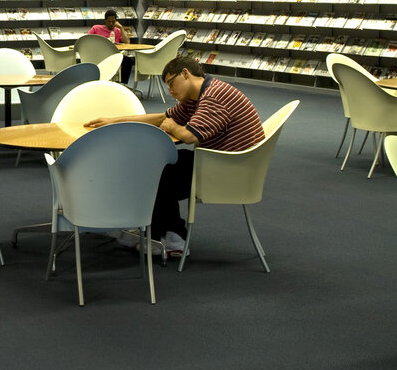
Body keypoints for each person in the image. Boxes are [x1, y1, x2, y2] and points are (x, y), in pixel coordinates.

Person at [83, 53, 263, 256]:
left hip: (229, 172)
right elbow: (162, 118)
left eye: (171, 83)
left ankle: (171, 239)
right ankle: (164, 232)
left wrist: (174, 127)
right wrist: (114, 121)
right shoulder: (200, 95)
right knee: (162, 165)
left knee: (158, 175)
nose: (170, 91)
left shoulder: (213, 96)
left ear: (186, 74)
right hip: (224, 163)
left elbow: (188, 136)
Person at [89, 9, 134, 81]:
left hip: (114, 55)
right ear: (105, 21)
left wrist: (121, 28)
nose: (111, 24)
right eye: (109, 21)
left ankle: (121, 83)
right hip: (99, 55)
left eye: (113, 22)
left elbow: (127, 42)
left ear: (116, 21)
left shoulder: (117, 30)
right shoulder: (96, 28)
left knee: (128, 61)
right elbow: (87, 40)